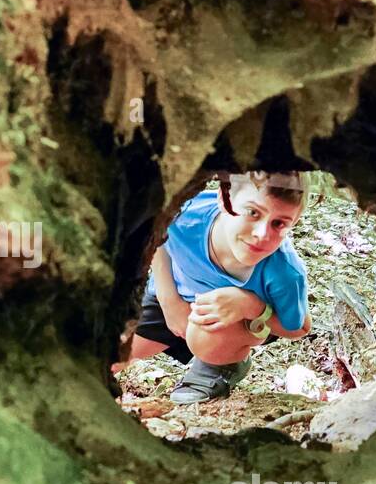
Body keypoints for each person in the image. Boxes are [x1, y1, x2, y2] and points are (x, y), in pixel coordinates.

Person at [123, 172, 312, 403]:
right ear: (225, 199)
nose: (262, 234)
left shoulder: (284, 272)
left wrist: (252, 307)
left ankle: (221, 365)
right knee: (109, 353)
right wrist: (168, 299)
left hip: (235, 322)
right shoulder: (186, 212)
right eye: (253, 212)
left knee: (207, 337)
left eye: (279, 223)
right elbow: (155, 227)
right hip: (174, 290)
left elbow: (299, 327)